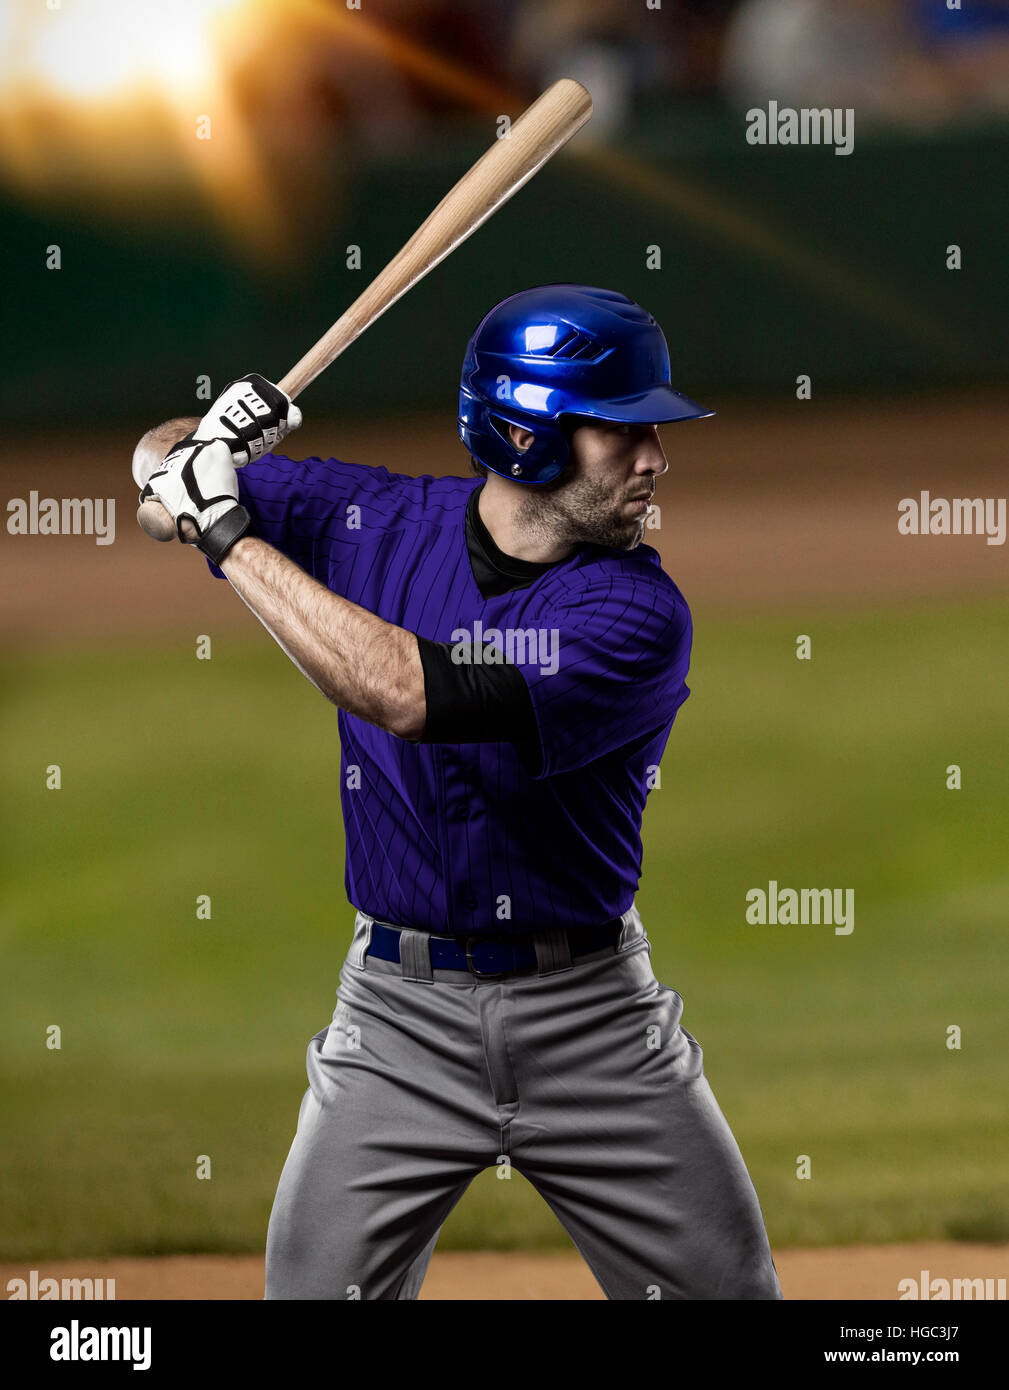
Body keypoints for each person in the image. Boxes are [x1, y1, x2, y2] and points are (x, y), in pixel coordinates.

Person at [133, 284, 782, 1301]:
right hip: (394, 1021)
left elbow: (403, 689)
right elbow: (153, 470)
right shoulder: (376, 519)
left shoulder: (637, 613)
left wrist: (229, 536)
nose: (657, 459)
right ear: (526, 435)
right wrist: (203, 440)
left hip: (594, 1023)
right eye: (623, 432)